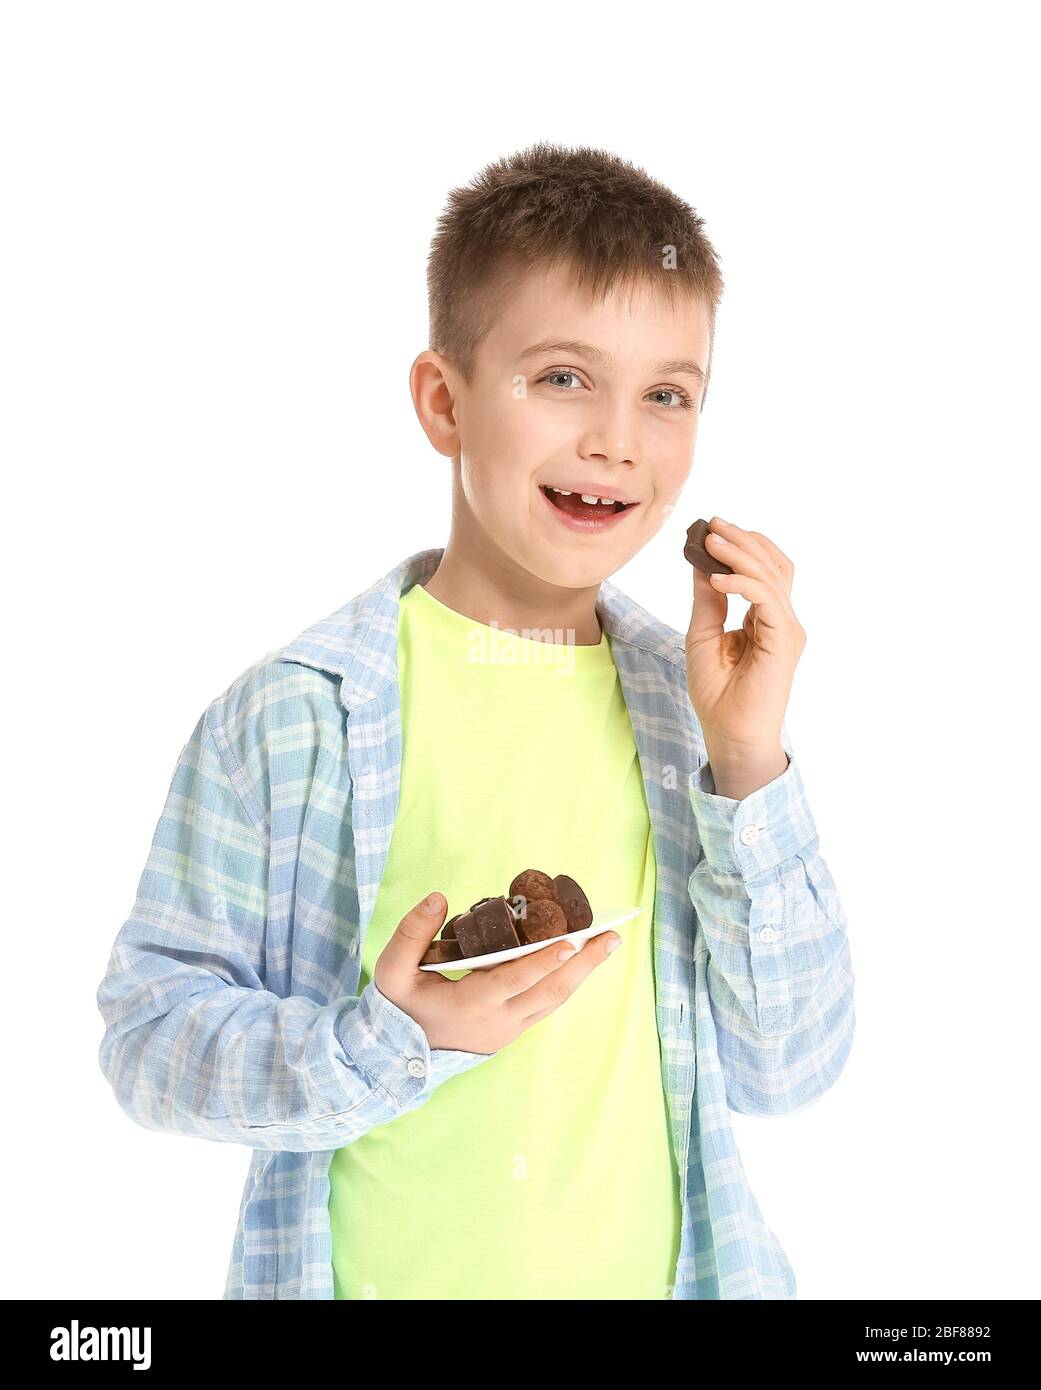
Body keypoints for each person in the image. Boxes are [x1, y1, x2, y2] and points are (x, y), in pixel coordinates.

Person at [96, 142, 855, 1300]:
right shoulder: (293, 717)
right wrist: (390, 1041)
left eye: (667, 393)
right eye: (562, 377)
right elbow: (149, 1044)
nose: (617, 438)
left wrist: (748, 762)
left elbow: (789, 1069)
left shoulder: (688, 712)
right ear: (444, 402)